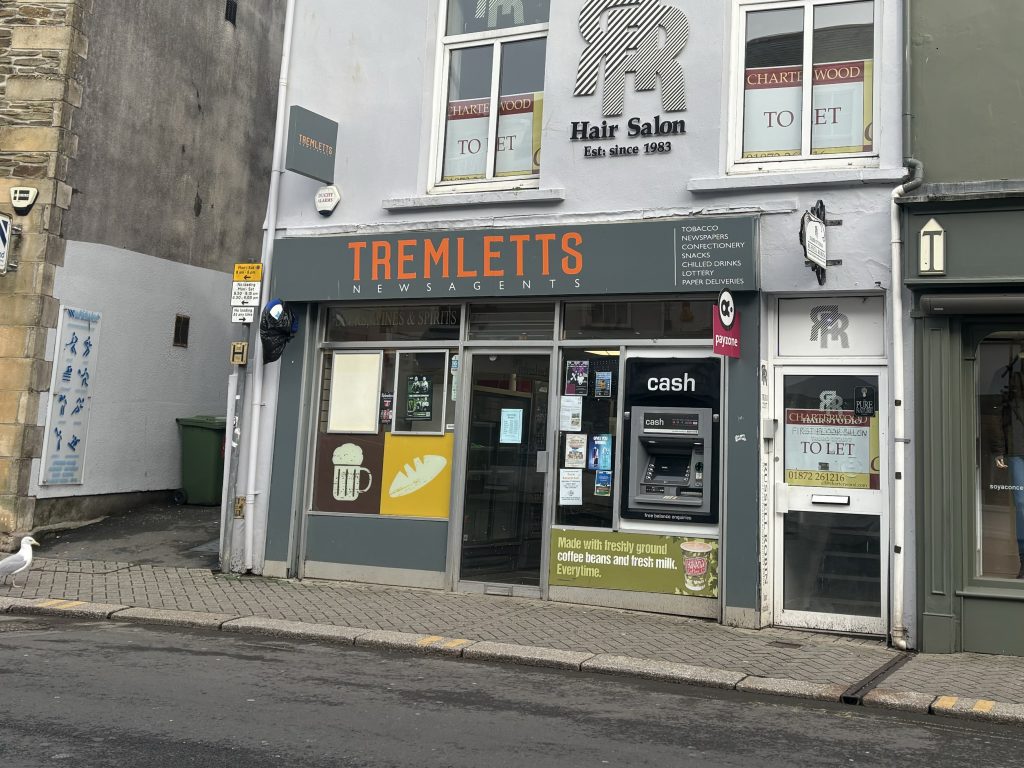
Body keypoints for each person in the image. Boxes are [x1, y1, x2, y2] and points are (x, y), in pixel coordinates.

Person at [994, 357, 1024, 579]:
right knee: (1022, 506)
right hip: (1016, 451)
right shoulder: (1006, 379)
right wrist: (999, 450)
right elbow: (998, 417)